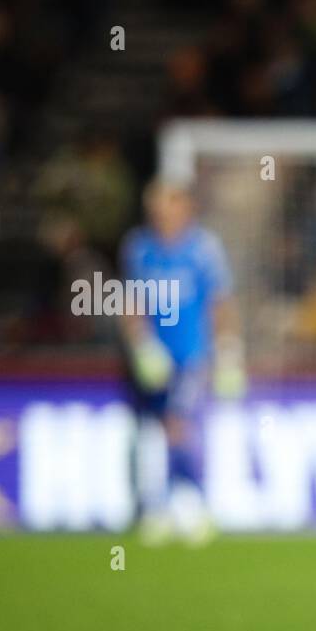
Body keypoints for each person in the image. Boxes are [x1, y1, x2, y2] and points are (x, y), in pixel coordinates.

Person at [119, 180, 243, 544]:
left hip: (191, 356)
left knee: (177, 422)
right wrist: (141, 345)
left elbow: (221, 302)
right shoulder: (139, 248)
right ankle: (160, 506)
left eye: (169, 207)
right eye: (156, 209)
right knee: (152, 429)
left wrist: (229, 351)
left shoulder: (204, 249)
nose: (163, 215)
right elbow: (130, 302)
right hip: (154, 358)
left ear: (185, 208)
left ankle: (186, 502)